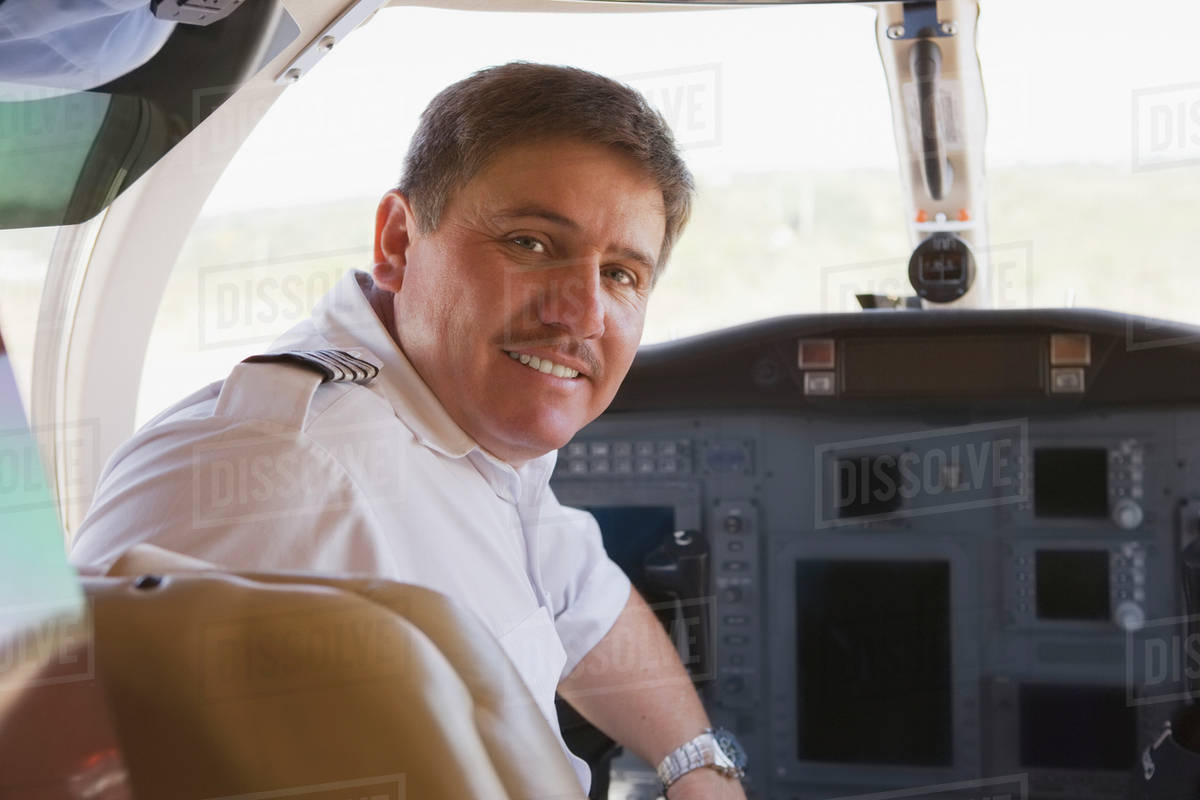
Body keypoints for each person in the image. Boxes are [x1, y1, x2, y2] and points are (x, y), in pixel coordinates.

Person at [70, 62, 747, 800]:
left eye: (620, 274)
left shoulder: (470, 423)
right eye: (531, 243)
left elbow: (579, 592)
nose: (582, 314)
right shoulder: (275, 476)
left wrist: (698, 767)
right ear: (397, 241)